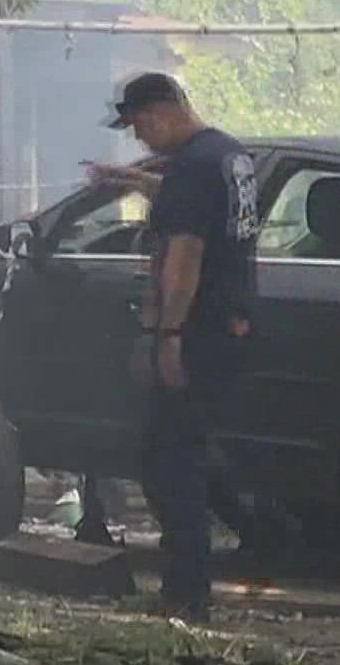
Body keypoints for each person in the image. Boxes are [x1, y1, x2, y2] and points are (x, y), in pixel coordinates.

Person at [92, 72, 261, 621]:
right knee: (195, 448)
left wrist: (165, 336)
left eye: (139, 125)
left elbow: (183, 257)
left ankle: (187, 591)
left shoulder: (191, 166)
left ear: (163, 109)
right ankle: (269, 534)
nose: (139, 139)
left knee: (168, 462)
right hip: (232, 322)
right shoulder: (229, 156)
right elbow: (196, 205)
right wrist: (137, 181)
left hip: (196, 329)